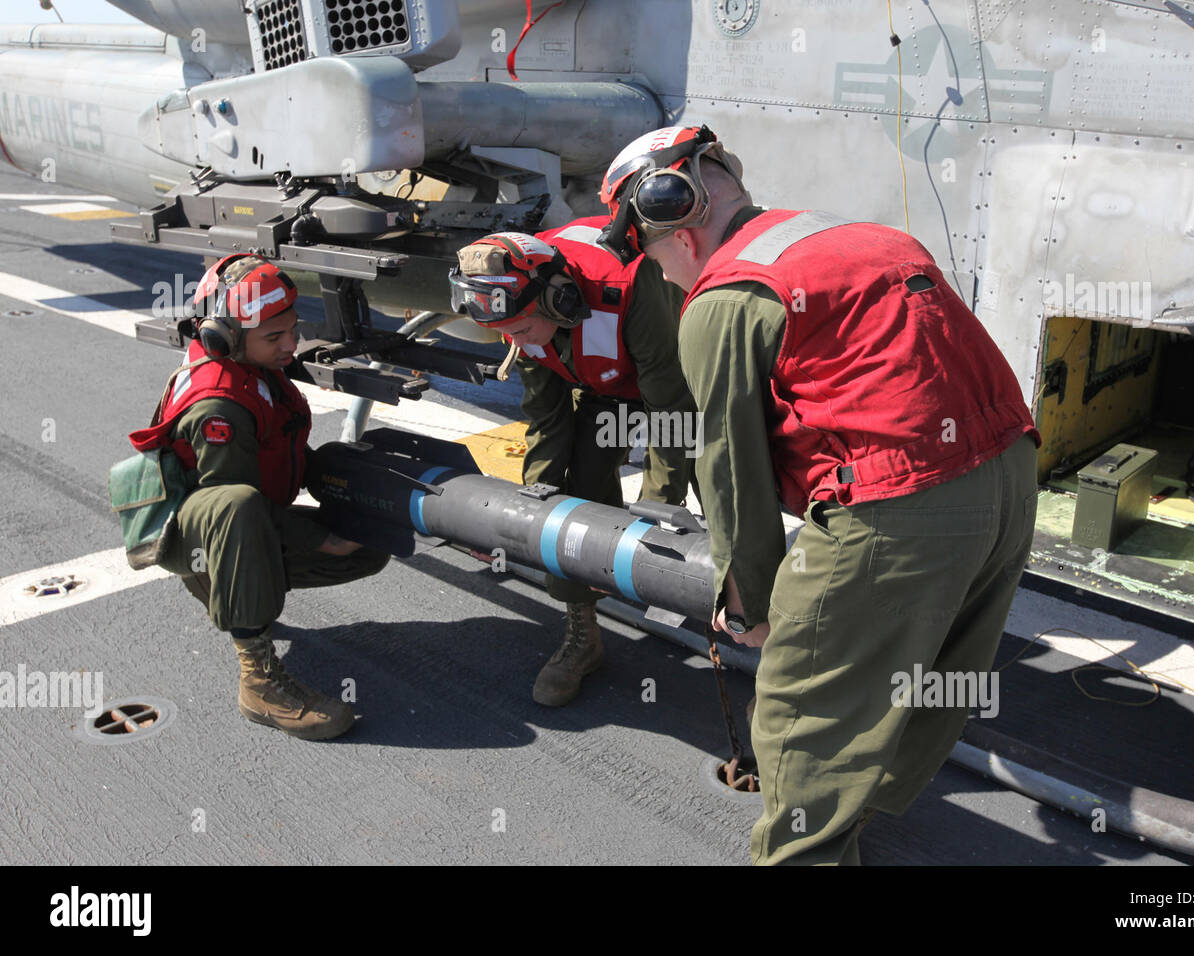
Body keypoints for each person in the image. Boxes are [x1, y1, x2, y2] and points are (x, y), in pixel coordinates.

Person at [598, 126, 1041, 864]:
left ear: (668, 221)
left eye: (647, 256)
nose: (661, 276)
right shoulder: (861, 236)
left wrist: (755, 610)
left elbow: (730, 472)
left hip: (900, 506)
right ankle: (853, 818)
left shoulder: (722, 301)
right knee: (927, 680)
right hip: (1008, 477)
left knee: (800, 709)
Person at [127, 254, 388, 740]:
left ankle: (239, 591)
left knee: (370, 538)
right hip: (195, 533)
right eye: (275, 337)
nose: (292, 345)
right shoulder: (217, 405)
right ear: (225, 336)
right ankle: (259, 682)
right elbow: (229, 500)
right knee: (239, 508)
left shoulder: (251, 364)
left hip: (226, 517)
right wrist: (318, 536)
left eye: (293, 329)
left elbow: (278, 446)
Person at [449, 218, 694, 706]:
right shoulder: (520, 311)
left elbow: (673, 413)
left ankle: (753, 627)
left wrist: (656, 515)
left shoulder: (629, 285)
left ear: (558, 300)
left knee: (721, 486)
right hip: (613, 390)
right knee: (575, 488)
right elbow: (548, 419)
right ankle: (583, 632)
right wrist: (538, 502)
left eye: (519, 330)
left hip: (686, 385)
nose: (515, 341)